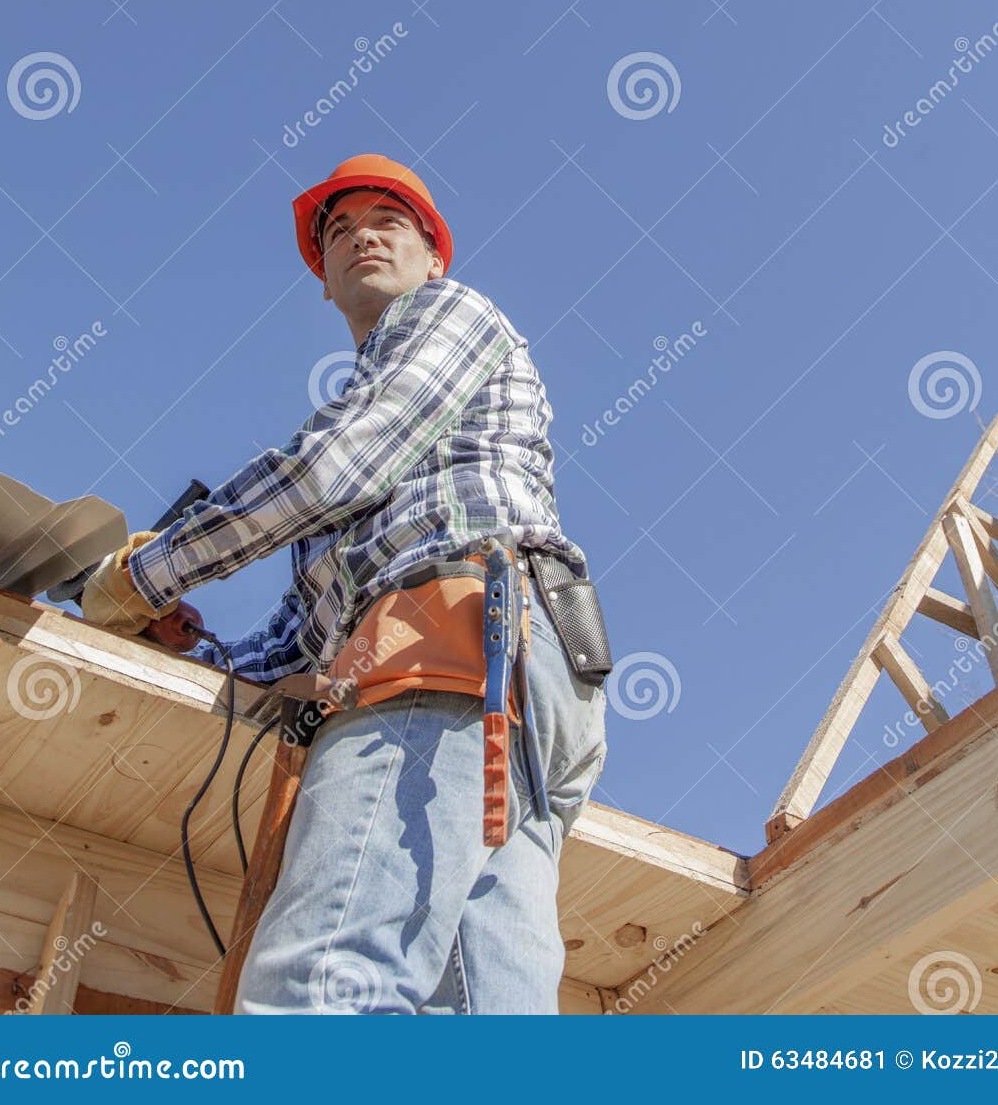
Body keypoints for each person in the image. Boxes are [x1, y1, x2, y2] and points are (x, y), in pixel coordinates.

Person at [79, 154, 610, 1014]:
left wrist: (141, 575)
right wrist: (180, 636)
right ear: (323, 279)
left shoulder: (450, 314)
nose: (360, 232)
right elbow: (292, 643)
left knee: (323, 989)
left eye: (386, 220)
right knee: (480, 1014)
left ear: (434, 256)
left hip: (450, 644)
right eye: (337, 229)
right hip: (505, 682)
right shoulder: (372, 502)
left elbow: (333, 467)